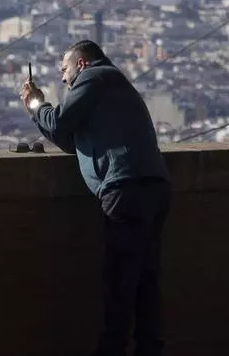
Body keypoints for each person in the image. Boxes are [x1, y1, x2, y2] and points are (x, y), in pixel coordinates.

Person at [20, 40, 172, 356]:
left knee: (119, 282)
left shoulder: (94, 78)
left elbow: (60, 122)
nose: (63, 79)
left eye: (65, 69)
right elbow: (69, 137)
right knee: (145, 280)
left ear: (82, 64)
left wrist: (37, 105)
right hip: (153, 187)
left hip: (125, 189)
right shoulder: (114, 84)